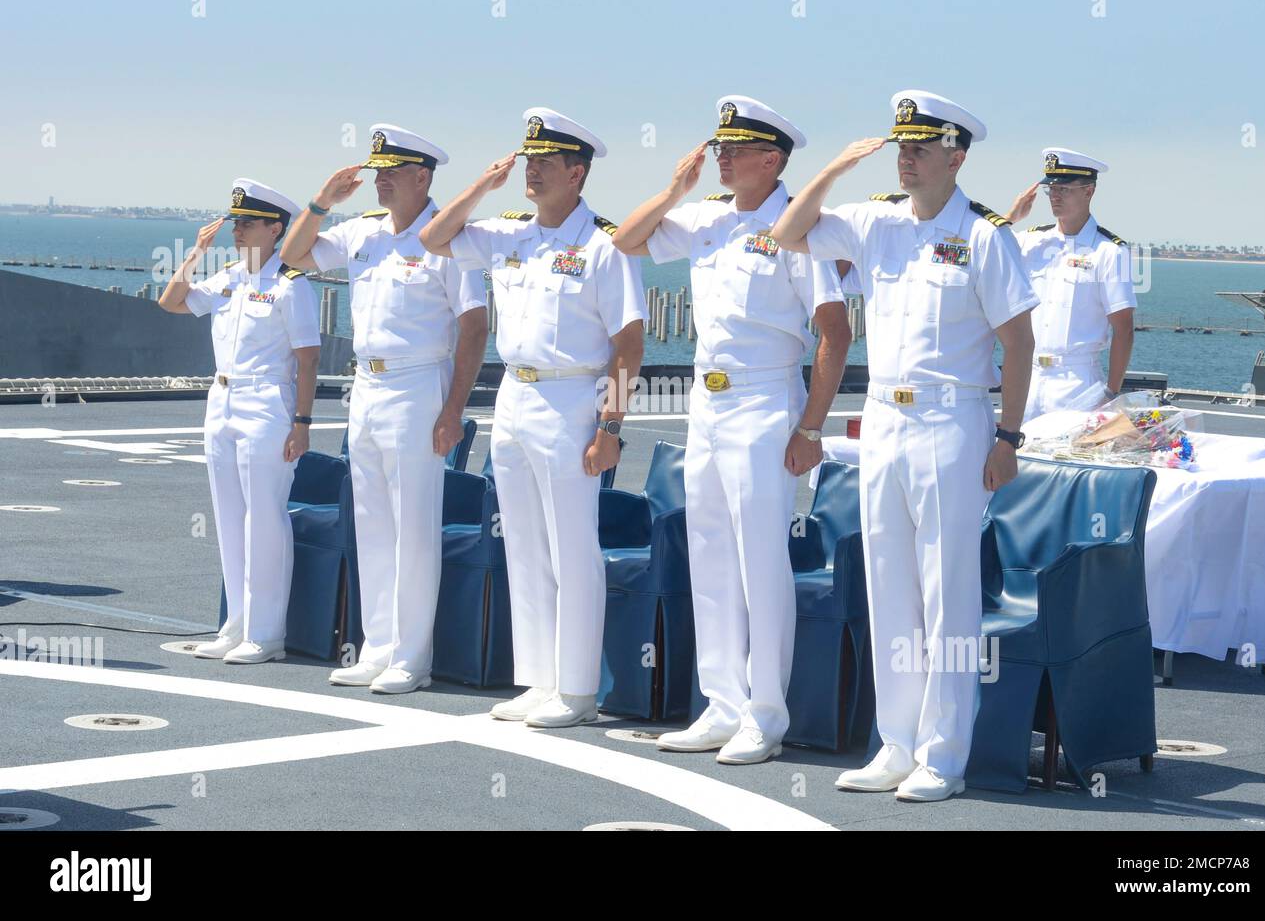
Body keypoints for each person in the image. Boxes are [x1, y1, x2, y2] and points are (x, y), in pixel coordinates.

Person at [773, 89, 1038, 801]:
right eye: (901, 144)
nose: (906, 155)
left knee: (946, 592)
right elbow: (789, 232)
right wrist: (831, 169)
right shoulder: (876, 223)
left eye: (922, 145)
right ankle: (897, 741)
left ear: (957, 154)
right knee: (888, 587)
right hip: (882, 421)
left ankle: (944, 753)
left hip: (954, 422)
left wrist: (1009, 435)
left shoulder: (984, 235)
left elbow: (1019, 342)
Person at [613, 96, 850, 764]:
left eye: (734, 147)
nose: (719, 155)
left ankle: (765, 715)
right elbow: (623, 242)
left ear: (771, 160)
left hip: (767, 401)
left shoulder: (798, 227)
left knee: (760, 564)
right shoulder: (707, 220)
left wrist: (810, 426)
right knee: (710, 554)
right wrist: (672, 190)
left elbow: (834, 332)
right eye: (718, 145)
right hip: (708, 404)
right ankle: (721, 704)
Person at [419, 108, 646, 727]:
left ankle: (576, 690)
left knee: (572, 548)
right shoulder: (510, 233)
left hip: (573, 400)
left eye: (547, 162)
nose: (533, 170)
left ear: (578, 172)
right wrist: (480, 189)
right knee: (523, 545)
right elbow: (433, 239)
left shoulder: (604, 245)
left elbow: (629, 345)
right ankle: (538, 679)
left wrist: (610, 429)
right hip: (514, 399)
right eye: (528, 161)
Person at [279, 124, 488, 694]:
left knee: (415, 525)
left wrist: (453, 410)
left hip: (420, 385)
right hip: (366, 387)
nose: (380, 180)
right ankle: (378, 646)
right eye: (376, 171)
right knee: (371, 522)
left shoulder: (449, 240)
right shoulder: (362, 232)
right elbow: (293, 254)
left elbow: (474, 329)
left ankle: (412, 657)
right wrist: (323, 202)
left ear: (423, 177)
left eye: (392, 171)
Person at [159, 179, 321, 664]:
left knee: (264, 519)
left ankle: (266, 632)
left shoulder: (292, 286)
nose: (239, 231)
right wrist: (194, 253)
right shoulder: (229, 277)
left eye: (248, 223)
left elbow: (308, 360)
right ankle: (236, 625)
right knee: (230, 519)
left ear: (276, 229)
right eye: (236, 223)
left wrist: (302, 422)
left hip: (268, 404)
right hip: (222, 400)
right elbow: (172, 302)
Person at [1004, 148, 1135, 421]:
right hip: (1026, 378)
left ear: (1089, 191)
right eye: (1051, 189)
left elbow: (1123, 329)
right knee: (1015, 458)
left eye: (1064, 188)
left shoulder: (1109, 252)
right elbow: (981, 257)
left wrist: (1110, 394)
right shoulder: (1030, 242)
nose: (1055, 196)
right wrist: (1010, 219)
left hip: (1077, 383)